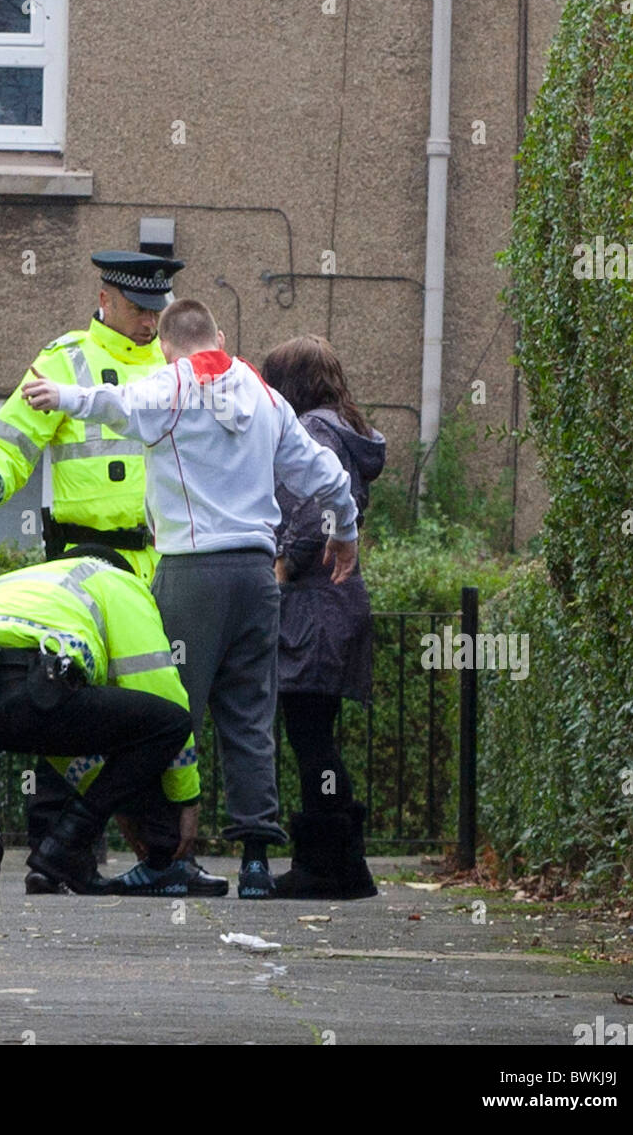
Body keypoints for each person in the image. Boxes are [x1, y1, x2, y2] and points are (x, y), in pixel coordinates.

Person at [23, 298, 360, 898]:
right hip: (257, 577)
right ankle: (255, 864)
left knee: (170, 716)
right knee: (251, 718)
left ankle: (168, 858)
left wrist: (63, 396)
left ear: (166, 347)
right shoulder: (264, 396)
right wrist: (346, 531)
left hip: (190, 572)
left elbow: (117, 404)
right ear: (220, 337)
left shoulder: (171, 385)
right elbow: (323, 471)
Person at [0, 249, 225, 897]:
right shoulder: (66, 359)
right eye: (138, 309)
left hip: (163, 560)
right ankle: (60, 853)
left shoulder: (176, 365)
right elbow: (12, 441)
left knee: (158, 704)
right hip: (84, 562)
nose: (149, 322)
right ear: (105, 299)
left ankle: (159, 854)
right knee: (64, 698)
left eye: (156, 310)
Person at [0, 546, 201, 896]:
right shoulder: (120, 581)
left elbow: (66, 750)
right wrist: (186, 798)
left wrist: (115, 799)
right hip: (37, 687)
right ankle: (65, 847)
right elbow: (159, 688)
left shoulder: (18, 579)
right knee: (172, 722)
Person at [261, 336, 386, 899]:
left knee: (309, 737)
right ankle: (346, 867)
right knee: (317, 736)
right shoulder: (345, 428)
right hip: (338, 601)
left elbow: (318, 514)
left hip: (313, 604)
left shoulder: (313, 430)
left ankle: (323, 867)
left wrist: (282, 567)